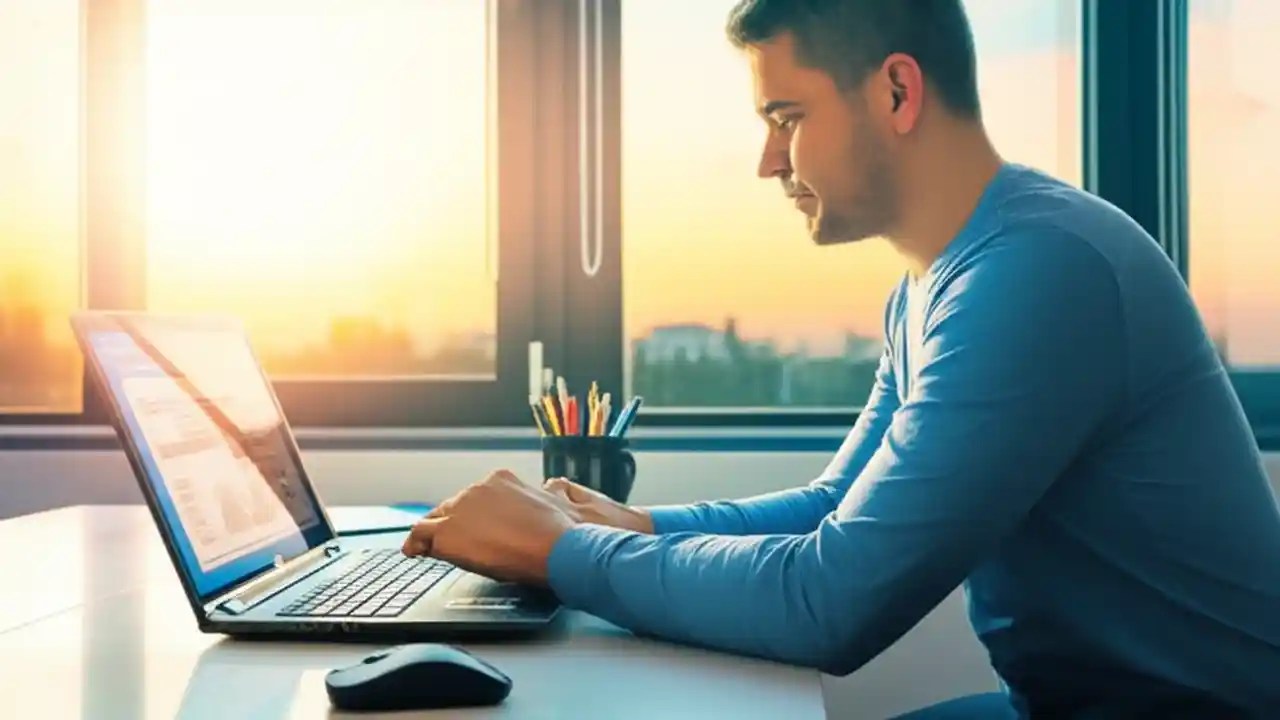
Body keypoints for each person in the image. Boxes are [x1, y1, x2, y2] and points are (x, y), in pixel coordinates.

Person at [402, 1, 1280, 716]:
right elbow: (837, 506)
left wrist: (562, 552)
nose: (767, 161)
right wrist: (639, 528)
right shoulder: (935, 286)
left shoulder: (1041, 273)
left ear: (897, 91)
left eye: (786, 117)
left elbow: (832, 602)